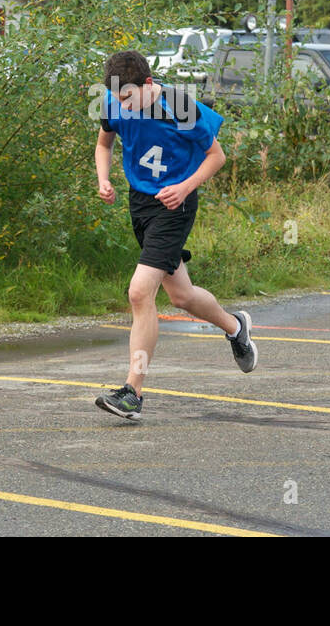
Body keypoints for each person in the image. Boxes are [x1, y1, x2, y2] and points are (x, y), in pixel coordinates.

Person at [93, 51, 257, 420]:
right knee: (181, 295)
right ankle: (235, 326)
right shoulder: (113, 98)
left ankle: (132, 391)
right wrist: (103, 180)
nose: (123, 106)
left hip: (174, 205)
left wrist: (184, 188)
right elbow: (104, 144)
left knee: (139, 292)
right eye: (118, 100)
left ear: (149, 85)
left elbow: (217, 156)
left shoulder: (180, 105)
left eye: (128, 99)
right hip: (140, 204)